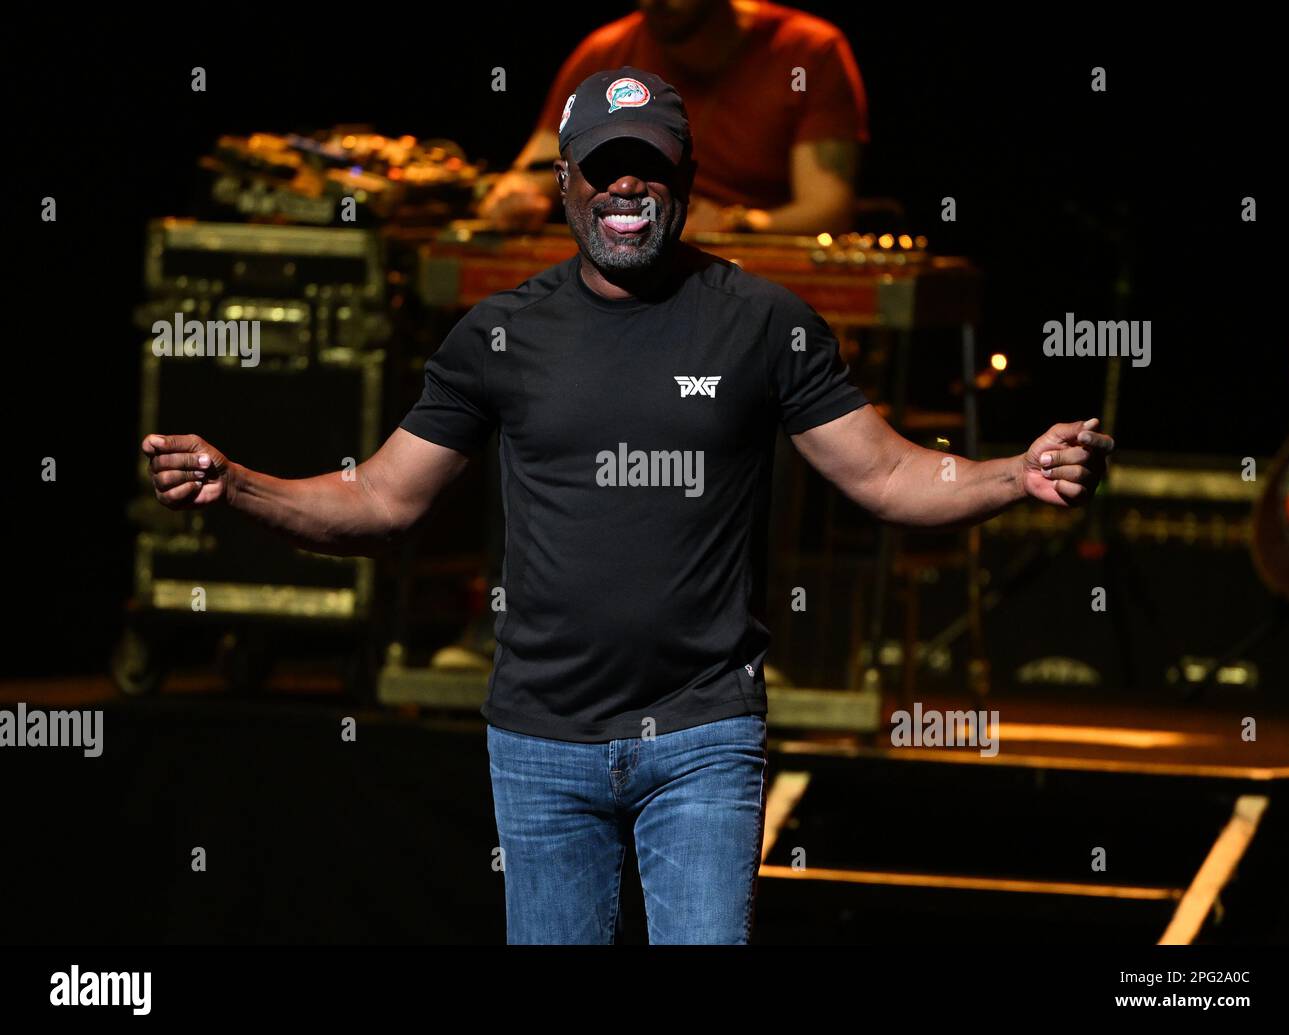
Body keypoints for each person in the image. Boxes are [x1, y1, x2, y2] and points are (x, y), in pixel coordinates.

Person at [142, 67, 1114, 944]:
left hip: (700, 737)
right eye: (600, 168)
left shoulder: (764, 322)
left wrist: (1010, 475)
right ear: (564, 180)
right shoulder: (499, 335)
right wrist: (239, 485)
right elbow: (385, 500)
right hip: (540, 742)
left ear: (685, 179)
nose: (623, 187)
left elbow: (887, 475)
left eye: (646, 167)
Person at [479, 0, 868, 234]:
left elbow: (827, 211)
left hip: (751, 286)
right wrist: (514, 196)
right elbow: (535, 169)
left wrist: (734, 223)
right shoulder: (605, 51)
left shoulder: (810, 51)